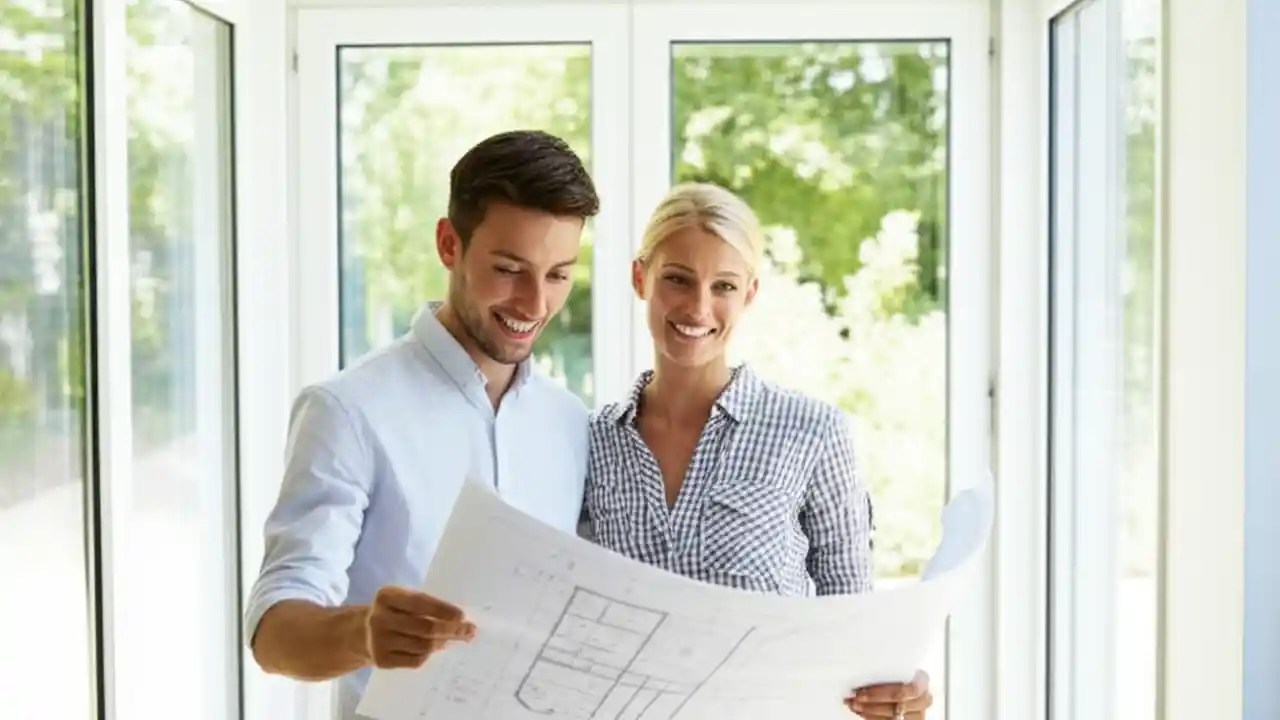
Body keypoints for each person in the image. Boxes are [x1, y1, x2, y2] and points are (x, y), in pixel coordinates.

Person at [244, 129, 600, 720]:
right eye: (509, 268)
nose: (535, 303)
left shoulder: (569, 423)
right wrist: (363, 634)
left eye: (558, 274)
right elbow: (273, 632)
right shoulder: (348, 411)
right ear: (448, 244)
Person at [583, 182, 933, 720]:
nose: (699, 307)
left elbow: (853, 625)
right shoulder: (593, 443)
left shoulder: (812, 432)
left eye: (723, 285)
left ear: (749, 294)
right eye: (677, 279)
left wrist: (897, 689)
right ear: (640, 278)